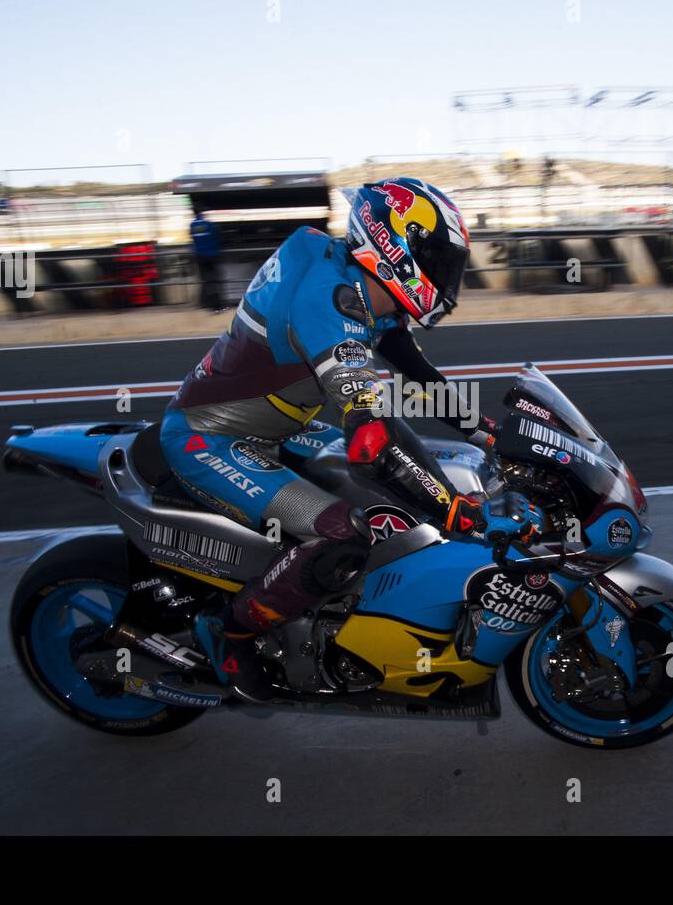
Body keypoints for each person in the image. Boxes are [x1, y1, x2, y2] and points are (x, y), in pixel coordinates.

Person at [159, 179, 497, 690]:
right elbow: (369, 430)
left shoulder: (362, 284)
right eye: (438, 259)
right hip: (210, 440)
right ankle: (232, 634)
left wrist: (487, 432)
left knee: (408, 490)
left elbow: (416, 374)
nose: (447, 277)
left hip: (275, 431)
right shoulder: (330, 300)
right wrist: (448, 505)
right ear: (394, 247)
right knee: (344, 533)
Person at [189, 210, 224, 310]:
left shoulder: (192, 225)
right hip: (212, 255)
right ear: (203, 214)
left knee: (205, 280)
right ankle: (217, 305)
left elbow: (193, 239)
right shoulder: (210, 225)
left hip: (199, 256)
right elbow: (218, 236)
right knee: (214, 280)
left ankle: (205, 303)